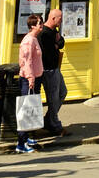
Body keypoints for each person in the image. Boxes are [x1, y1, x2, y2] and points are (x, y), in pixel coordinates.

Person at [39, 8, 68, 137]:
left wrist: (57, 43)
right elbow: (48, 52)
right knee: (53, 98)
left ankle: (49, 119)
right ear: (53, 18)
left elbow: (61, 42)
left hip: (55, 68)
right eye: (60, 18)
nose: (61, 21)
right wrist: (56, 44)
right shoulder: (44, 33)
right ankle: (55, 125)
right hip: (48, 70)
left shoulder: (54, 31)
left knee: (63, 92)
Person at [17, 14, 44, 154]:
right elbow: (26, 61)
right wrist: (30, 77)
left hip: (35, 78)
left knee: (31, 109)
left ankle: (26, 138)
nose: (41, 24)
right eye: (39, 22)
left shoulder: (34, 39)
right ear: (32, 25)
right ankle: (21, 143)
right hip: (29, 80)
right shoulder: (29, 41)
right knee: (26, 110)